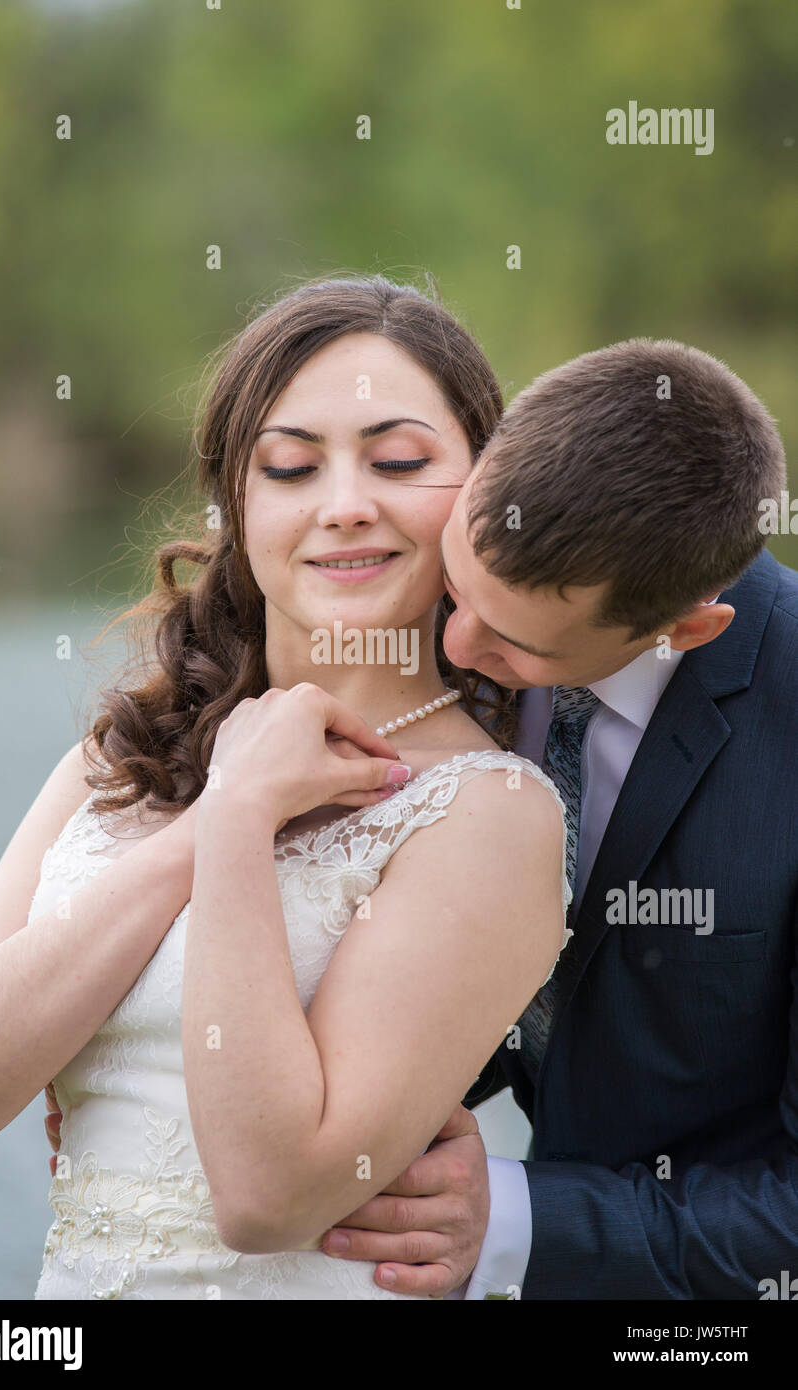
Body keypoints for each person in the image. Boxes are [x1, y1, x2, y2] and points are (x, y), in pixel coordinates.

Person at [0, 275, 570, 1299]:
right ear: (235, 500)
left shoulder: (488, 811)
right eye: (290, 466)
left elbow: (271, 1195)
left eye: (399, 460)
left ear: (481, 491)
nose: (345, 503)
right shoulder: (118, 762)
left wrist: (235, 825)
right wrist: (217, 813)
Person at [316, 338, 798, 1299]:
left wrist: (513, 1219)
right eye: (458, 585)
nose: (453, 642)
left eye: (514, 642)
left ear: (688, 628)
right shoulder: (420, 588)